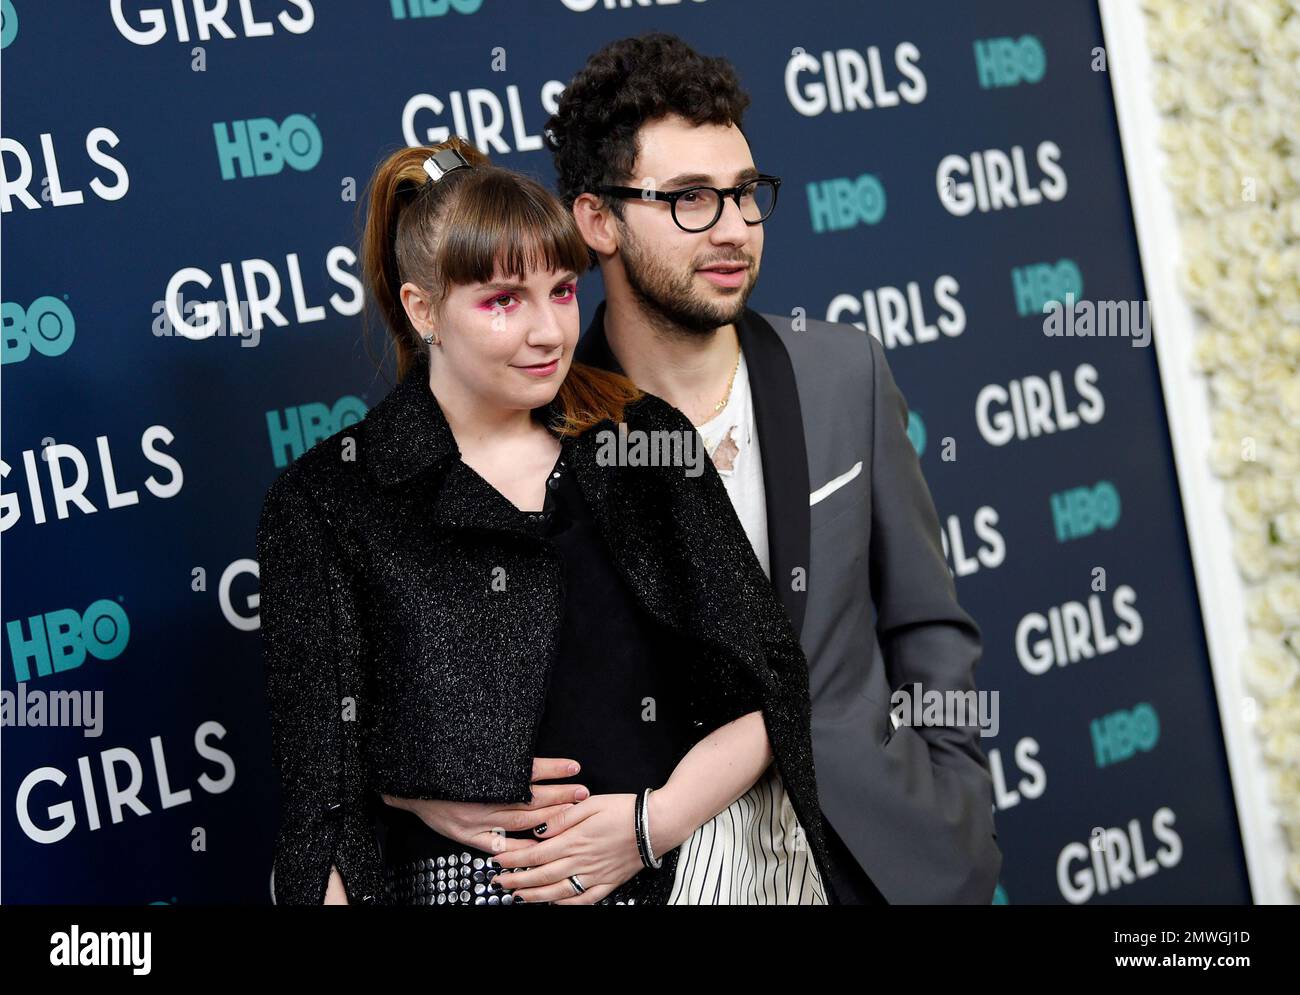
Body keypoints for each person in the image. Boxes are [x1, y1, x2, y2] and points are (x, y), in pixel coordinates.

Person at [256, 135, 836, 905]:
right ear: (422, 308)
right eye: (503, 300)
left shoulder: (642, 441)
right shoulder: (328, 500)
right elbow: (322, 812)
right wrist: (417, 781)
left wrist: (645, 826)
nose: (549, 331)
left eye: (562, 291)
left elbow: (775, 690)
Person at [543, 32, 1003, 904]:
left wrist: (960, 802)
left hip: (876, 857)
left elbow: (930, 625)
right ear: (597, 219)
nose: (733, 229)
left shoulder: (845, 374)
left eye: (746, 194)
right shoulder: (547, 431)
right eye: (688, 200)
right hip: (671, 873)